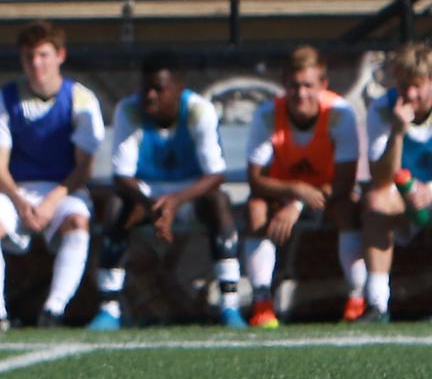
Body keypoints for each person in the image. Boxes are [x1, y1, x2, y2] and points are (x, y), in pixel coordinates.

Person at [91, 51, 246, 329]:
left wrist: (175, 202)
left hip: (189, 193)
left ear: (178, 89)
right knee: (116, 206)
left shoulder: (199, 110)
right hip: (146, 194)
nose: (149, 96)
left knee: (219, 202)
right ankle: (109, 308)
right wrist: (154, 207)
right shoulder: (129, 109)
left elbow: (215, 175)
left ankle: (230, 304)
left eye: (158, 89)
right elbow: (122, 176)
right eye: (145, 88)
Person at [0, 20, 103, 330]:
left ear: (60, 56)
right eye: (29, 56)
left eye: (44, 55)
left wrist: (51, 201)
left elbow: (84, 168)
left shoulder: (81, 99)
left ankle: (53, 310)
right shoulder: (6, 98)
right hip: (17, 190)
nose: (36, 64)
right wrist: (20, 202)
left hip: (64, 190)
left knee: (77, 221)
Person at [242, 45, 362, 327]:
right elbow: (256, 180)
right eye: (294, 86)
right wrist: (295, 191)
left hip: (328, 195)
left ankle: (358, 300)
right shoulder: (267, 115)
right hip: (282, 194)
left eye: (308, 85)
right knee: (255, 209)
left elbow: (344, 182)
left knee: (349, 209)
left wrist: (298, 204)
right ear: (284, 84)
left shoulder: (340, 114)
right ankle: (262, 303)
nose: (301, 94)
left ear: (323, 84)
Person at [358, 41, 432, 323]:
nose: (410, 94)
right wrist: (398, 133)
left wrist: (429, 192)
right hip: (400, 195)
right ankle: (377, 304)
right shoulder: (382, 109)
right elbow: (380, 178)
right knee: (375, 202)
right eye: (403, 85)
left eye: (417, 86)